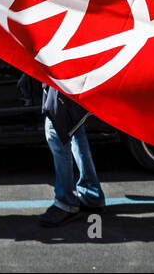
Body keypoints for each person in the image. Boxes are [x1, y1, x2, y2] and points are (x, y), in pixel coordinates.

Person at [36, 83, 105, 227]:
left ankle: (66, 202)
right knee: (74, 129)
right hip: (68, 78)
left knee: (57, 132)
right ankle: (91, 193)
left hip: (63, 76)